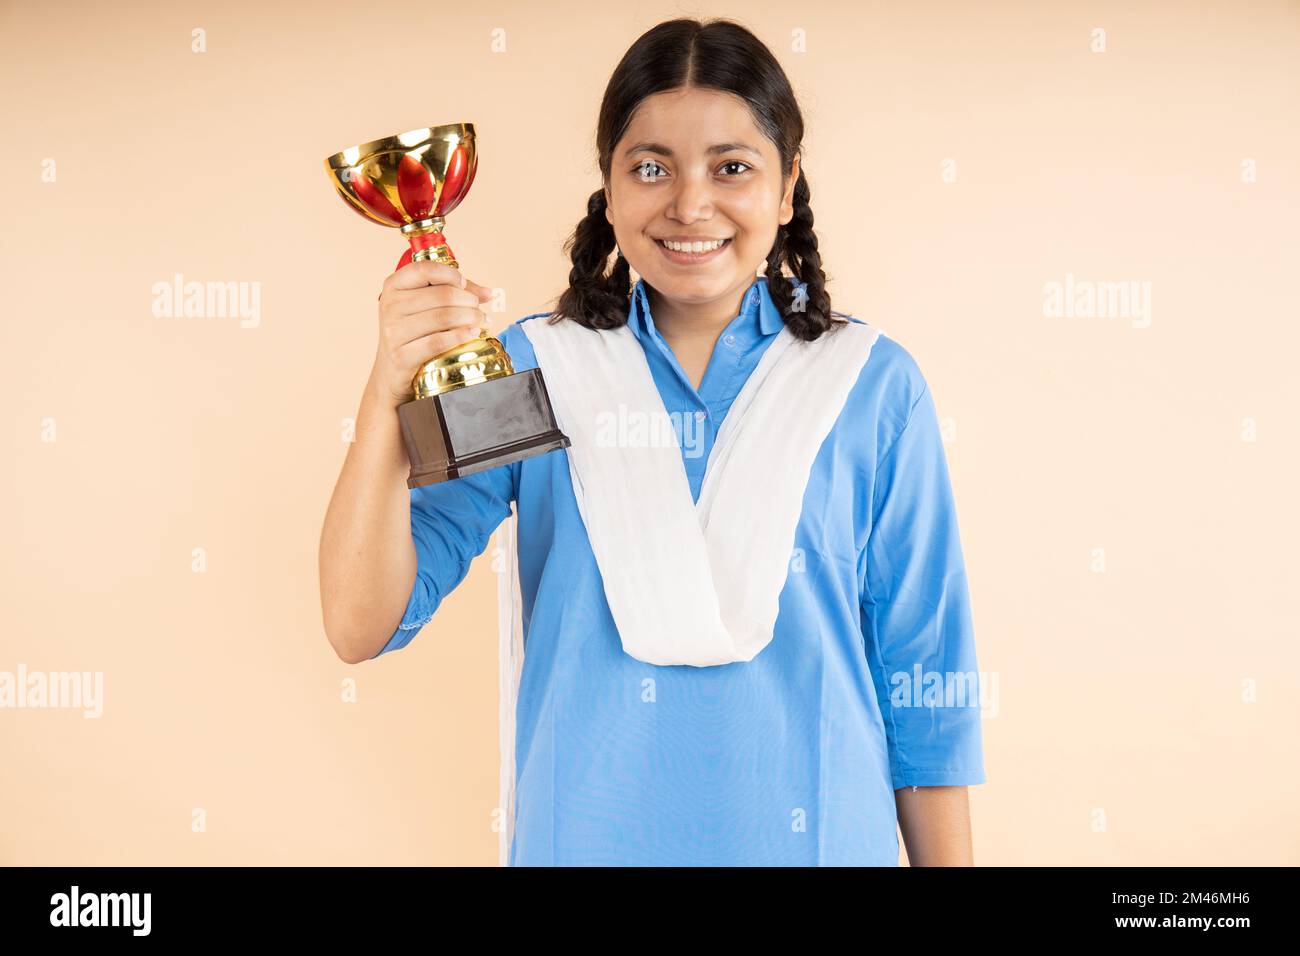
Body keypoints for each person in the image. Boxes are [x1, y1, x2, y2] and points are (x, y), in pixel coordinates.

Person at [319, 17, 986, 866]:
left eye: (732, 167)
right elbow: (360, 622)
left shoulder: (872, 386)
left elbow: (926, 685)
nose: (690, 204)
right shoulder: (533, 369)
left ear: (786, 191)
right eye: (651, 168)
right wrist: (386, 394)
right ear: (609, 186)